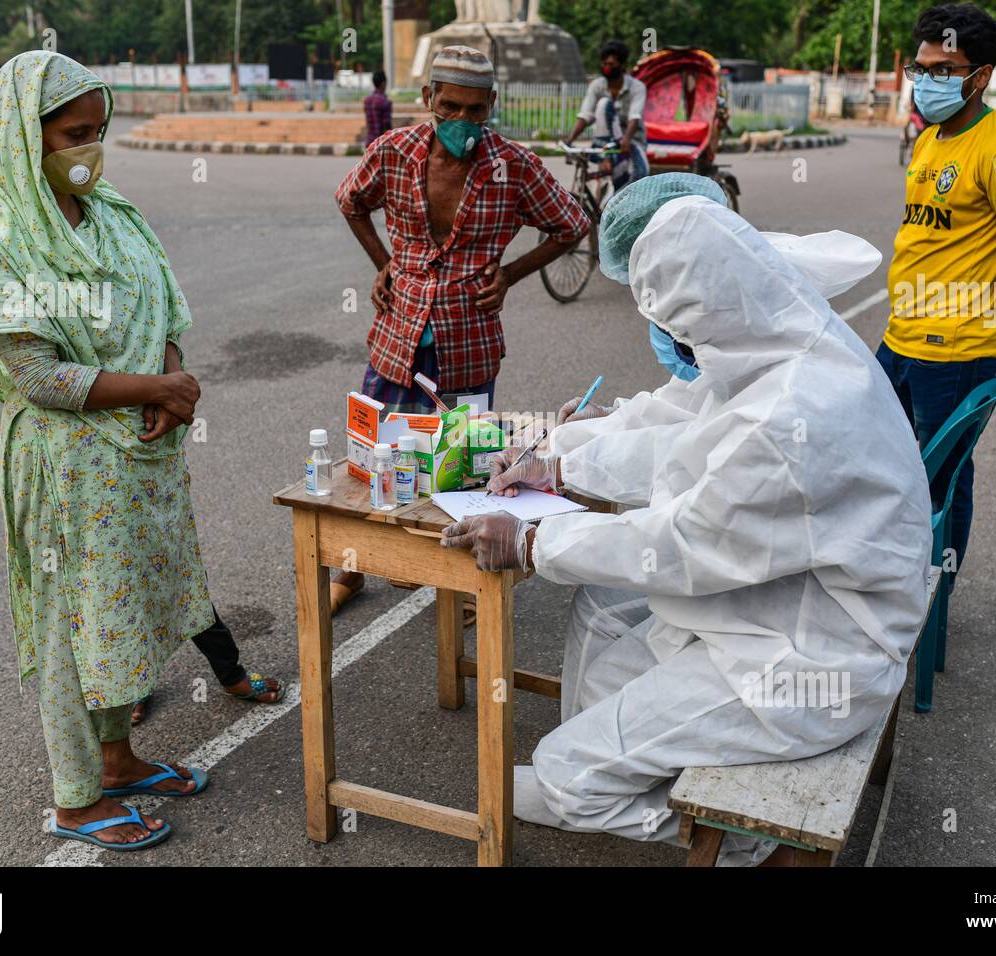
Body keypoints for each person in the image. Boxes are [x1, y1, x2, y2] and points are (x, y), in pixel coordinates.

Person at [440, 174, 933, 865]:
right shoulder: (779, 352)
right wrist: (558, 468)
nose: (679, 348)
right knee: (606, 653)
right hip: (782, 610)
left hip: (810, 662)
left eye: (677, 329)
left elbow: (679, 545)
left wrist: (529, 541)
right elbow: (684, 442)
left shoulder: (792, 413)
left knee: (562, 778)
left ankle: (745, 841)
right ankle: (616, 767)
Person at [0, 52, 276, 851]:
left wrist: (170, 370)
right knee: (71, 627)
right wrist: (155, 392)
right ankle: (74, 800)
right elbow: (34, 374)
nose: (90, 150)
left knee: (117, 616)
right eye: (73, 133)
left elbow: (160, 298)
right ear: (24, 137)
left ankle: (118, 760)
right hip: (64, 469)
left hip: (133, 462)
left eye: (99, 131)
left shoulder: (110, 213)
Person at [331, 45, 590, 613]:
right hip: (397, 334)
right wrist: (384, 264)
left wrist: (511, 274)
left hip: (468, 341)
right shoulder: (394, 152)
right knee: (377, 455)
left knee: (463, 465)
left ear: (491, 106)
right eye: (451, 108)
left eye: (476, 111)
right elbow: (350, 201)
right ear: (428, 100)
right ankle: (352, 567)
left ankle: (464, 577)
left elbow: (572, 224)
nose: (464, 124)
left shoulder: (513, 166)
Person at [881, 3, 996, 588]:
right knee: (884, 461)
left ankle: (933, 593)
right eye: (921, 66)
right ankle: (893, 577)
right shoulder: (930, 139)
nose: (928, 80)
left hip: (954, 349)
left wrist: (991, 310)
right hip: (901, 336)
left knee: (942, 474)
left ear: (980, 76)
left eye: (944, 69)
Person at [566, 39, 649, 190]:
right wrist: (569, 140)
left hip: (631, 141)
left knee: (640, 175)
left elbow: (634, 117)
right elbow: (586, 115)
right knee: (603, 104)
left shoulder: (637, 87)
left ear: (622, 65)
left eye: (611, 65)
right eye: (604, 64)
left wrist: (626, 140)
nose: (607, 68)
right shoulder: (597, 86)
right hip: (605, 144)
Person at [363, 69, 393, 148]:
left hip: (369, 142)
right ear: (383, 83)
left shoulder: (367, 100)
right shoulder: (385, 101)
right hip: (381, 144)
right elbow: (386, 125)